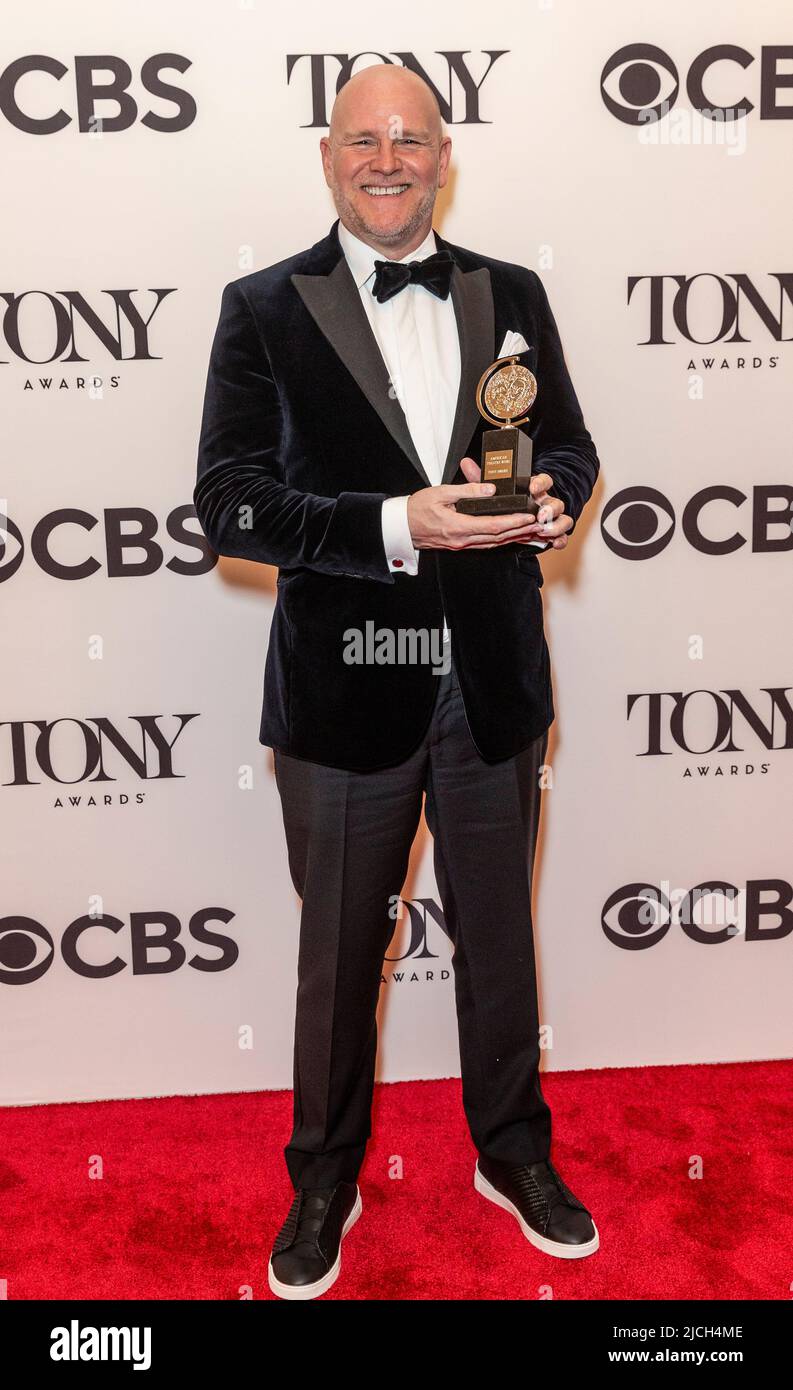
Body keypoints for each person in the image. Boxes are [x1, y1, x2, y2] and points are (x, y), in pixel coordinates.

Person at [195, 62, 600, 1301]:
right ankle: (324, 1175)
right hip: (343, 689)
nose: (388, 159)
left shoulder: (510, 291)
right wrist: (393, 524)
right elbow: (228, 503)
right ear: (328, 158)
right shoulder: (263, 306)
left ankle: (512, 1151)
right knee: (336, 958)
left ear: (443, 157)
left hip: (490, 678)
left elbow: (570, 445)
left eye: (410, 139)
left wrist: (551, 500)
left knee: (498, 936)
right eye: (363, 139)